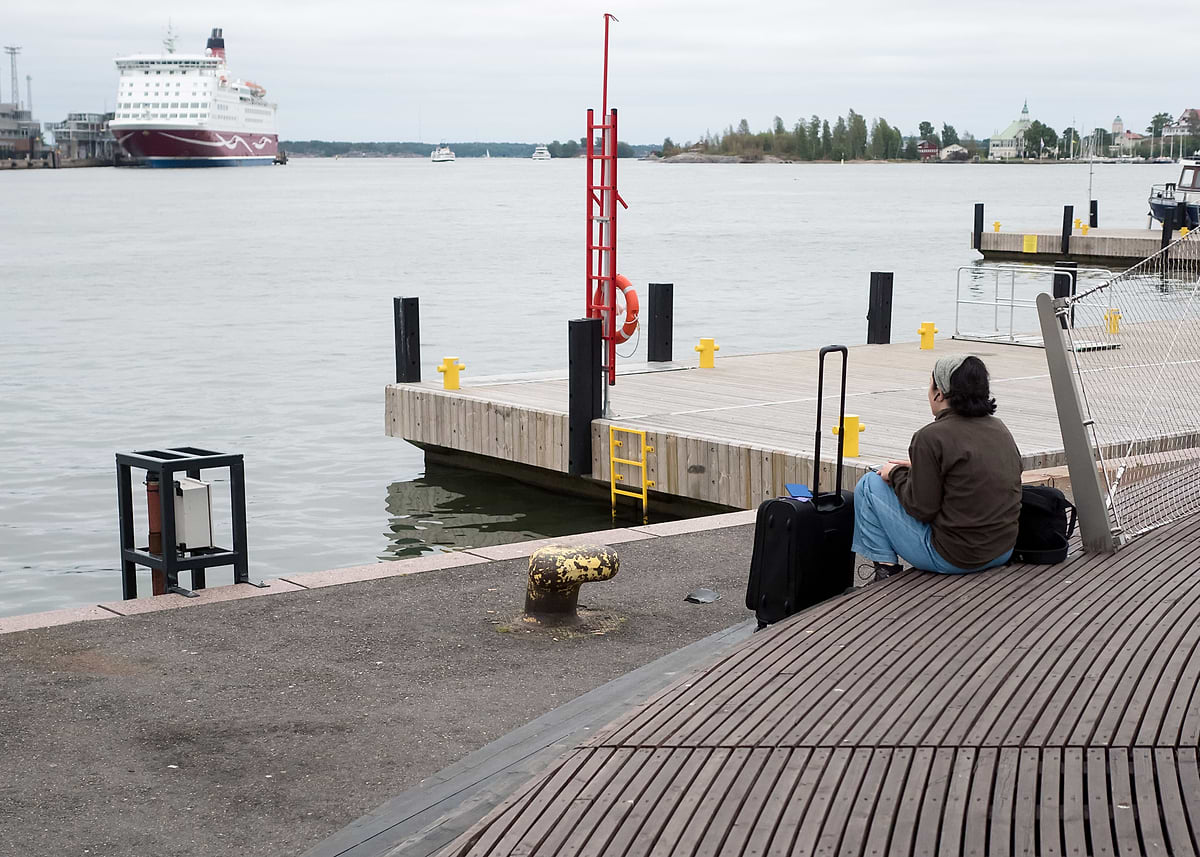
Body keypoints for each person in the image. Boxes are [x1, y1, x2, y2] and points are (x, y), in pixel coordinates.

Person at [852, 354, 1022, 580]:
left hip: (954, 557)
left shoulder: (929, 437)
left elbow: (922, 509)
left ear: (940, 392)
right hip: (1001, 550)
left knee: (869, 485)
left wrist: (896, 474)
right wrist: (920, 468)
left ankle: (886, 572)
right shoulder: (999, 428)